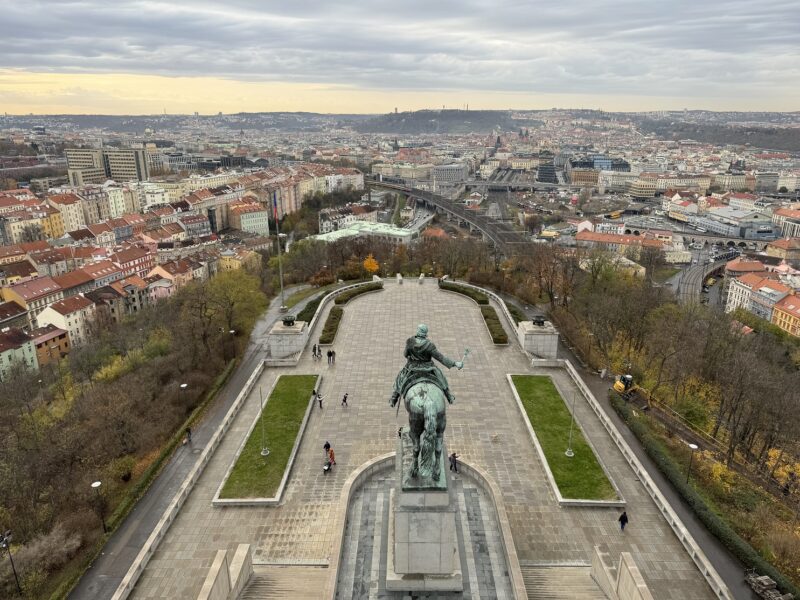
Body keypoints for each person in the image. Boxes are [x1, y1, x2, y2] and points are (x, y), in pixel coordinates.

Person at [389, 324, 463, 407]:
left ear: (418, 331)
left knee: (401, 377)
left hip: (412, 367)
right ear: (425, 333)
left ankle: (394, 397)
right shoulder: (430, 345)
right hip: (428, 368)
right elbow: (440, 358)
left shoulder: (410, 342)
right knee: (441, 377)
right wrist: (455, 364)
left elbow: (405, 355)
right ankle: (449, 396)